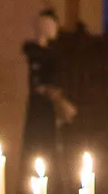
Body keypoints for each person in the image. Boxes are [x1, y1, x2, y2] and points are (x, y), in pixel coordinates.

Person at [21, 9, 72, 171]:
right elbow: (38, 81)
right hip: (40, 107)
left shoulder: (54, 52)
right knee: (38, 144)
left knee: (51, 147)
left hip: (51, 107)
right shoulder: (36, 52)